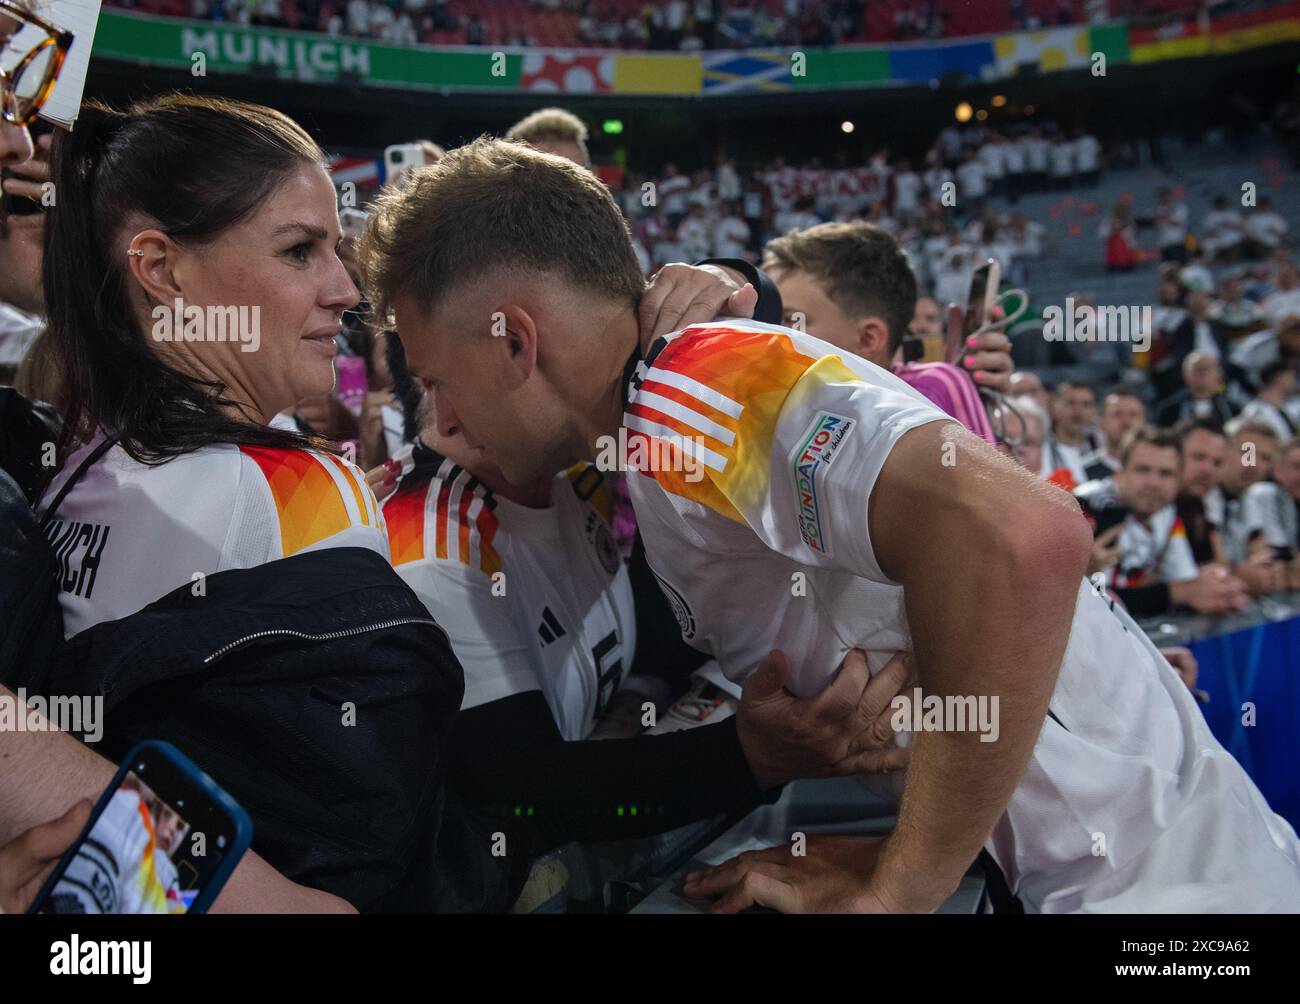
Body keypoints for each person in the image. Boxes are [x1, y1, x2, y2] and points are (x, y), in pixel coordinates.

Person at [359, 137, 1300, 913]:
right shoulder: (655, 421)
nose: (437, 421)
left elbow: (1026, 538)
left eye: (436, 378)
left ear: (515, 341)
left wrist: (896, 891)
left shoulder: (695, 390)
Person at [760, 221, 1008, 443]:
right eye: (766, 320)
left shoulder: (934, 387)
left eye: (791, 321)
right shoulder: (772, 406)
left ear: (868, 338)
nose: (769, 337)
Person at [1074, 428, 1245, 617]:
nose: (1154, 483)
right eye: (1143, 470)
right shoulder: (1086, 509)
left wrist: (1216, 588)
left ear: (1178, 480)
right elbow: (1095, 600)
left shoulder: (1166, 512)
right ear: (1119, 473)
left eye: (1166, 473)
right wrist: (1179, 593)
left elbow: (1184, 580)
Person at [1155, 351, 1237, 427]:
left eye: (1207, 368)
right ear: (1185, 375)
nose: (1202, 373)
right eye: (1197, 369)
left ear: (1218, 374)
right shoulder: (1168, 411)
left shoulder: (1232, 410)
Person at [1080, 388, 1145, 482]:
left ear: (1143, 421)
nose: (1126, 421)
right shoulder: (1082, 470)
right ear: (1101, 422)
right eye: (1117, 414)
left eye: (1133, 414)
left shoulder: (1157, 468)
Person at [1239, 359, 1298, 443]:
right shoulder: (1254, 410)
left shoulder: (1287, 410)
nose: (1294, 381)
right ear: (1280, 378)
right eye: (1291, 376)